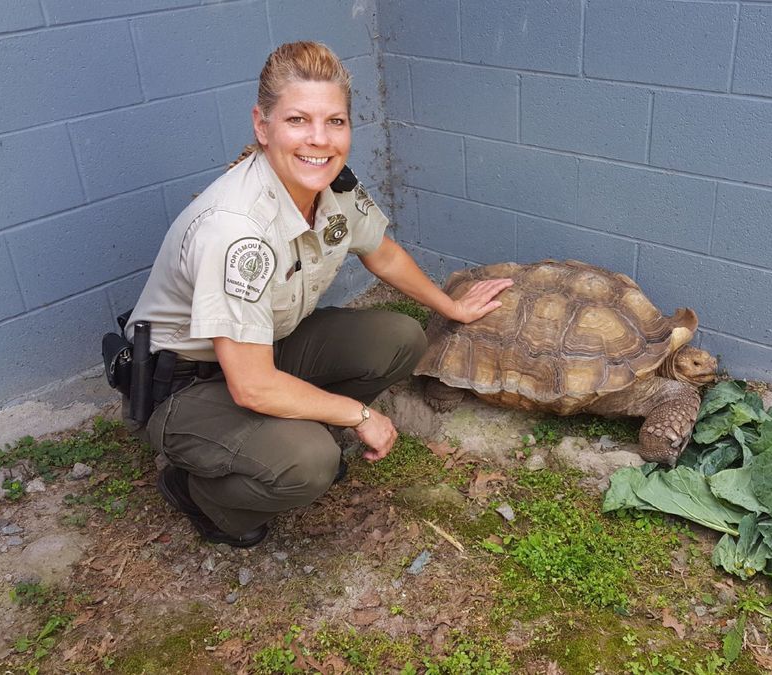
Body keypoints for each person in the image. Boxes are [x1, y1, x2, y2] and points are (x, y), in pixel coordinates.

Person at [125, 41, 511, 548]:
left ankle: (288, 434)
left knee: (399, 337)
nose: (320, 139)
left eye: (335, 121)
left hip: (266, 348)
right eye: (297, 120)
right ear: (262, 126)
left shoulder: (332, 186)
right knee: (309, 462)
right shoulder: (235, 231)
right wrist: (360, 415)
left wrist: (451, 306)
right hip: (187, 385)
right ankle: (198, 492)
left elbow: (381, 253)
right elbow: (252, 387)